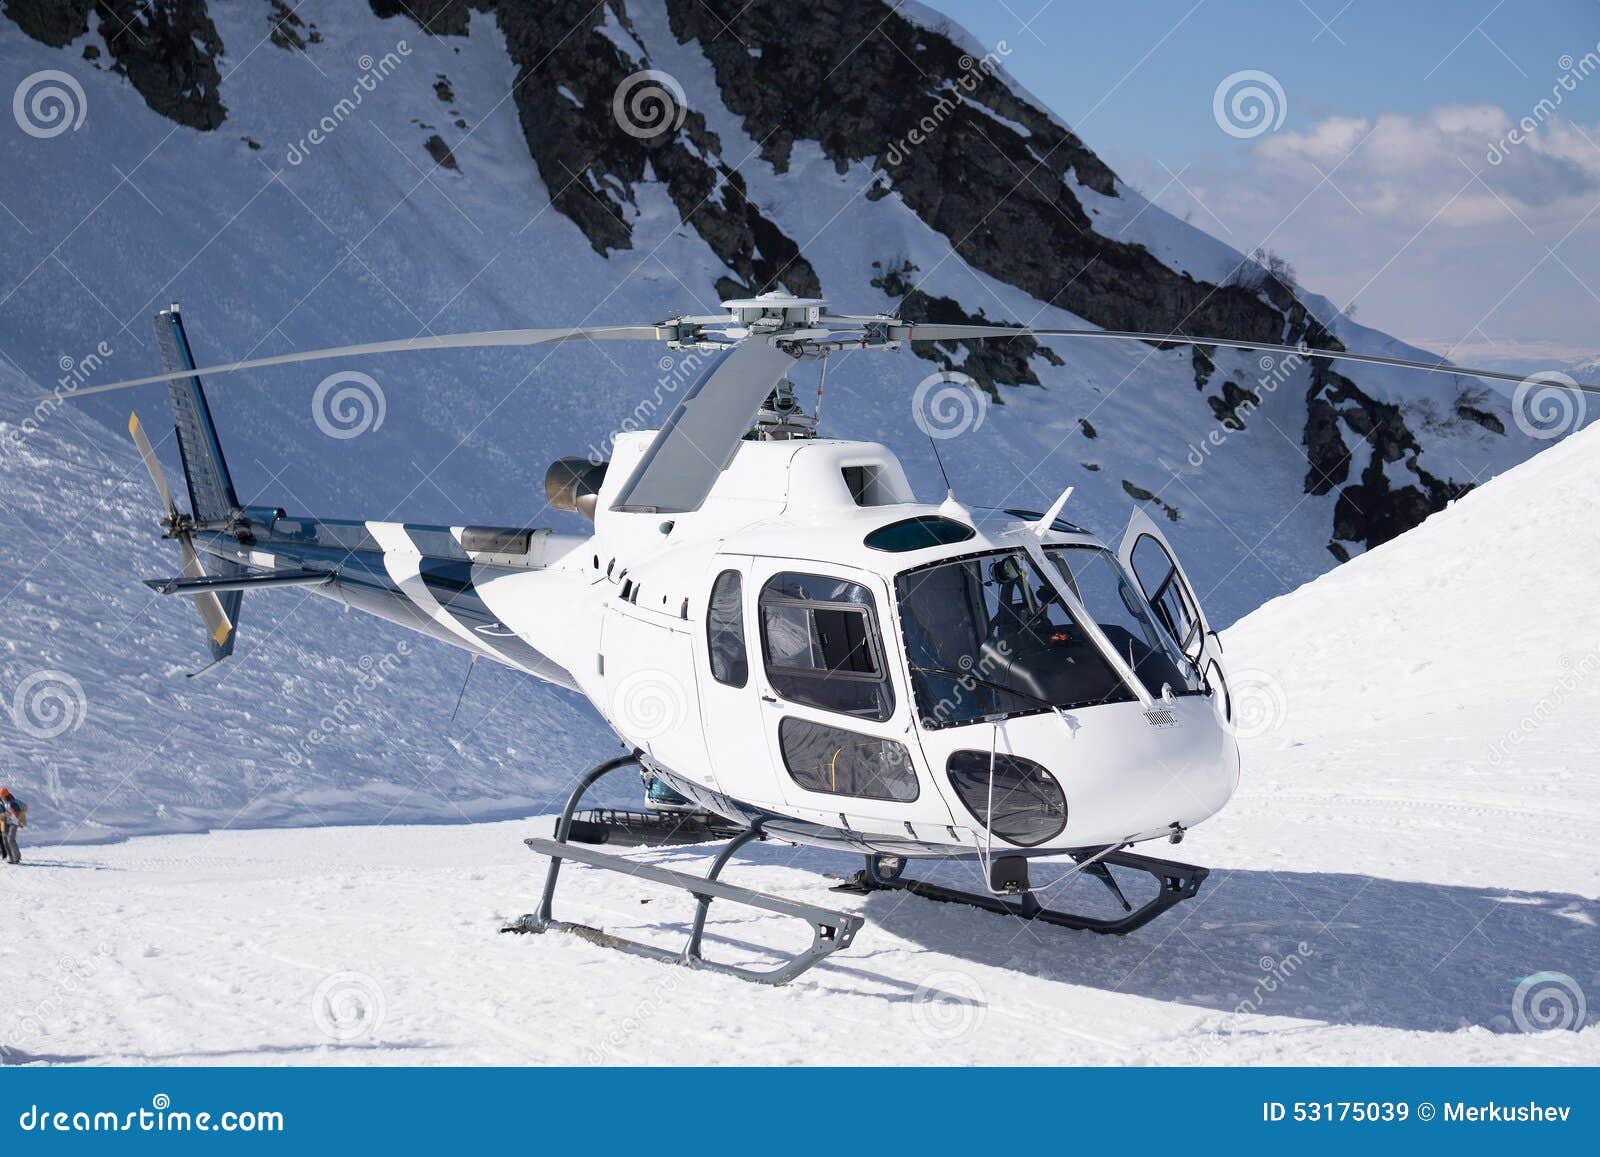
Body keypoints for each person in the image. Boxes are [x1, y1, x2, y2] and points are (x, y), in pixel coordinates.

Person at [0, 788, 25, 865]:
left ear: (5, 795)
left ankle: (17, 857)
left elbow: (24, 807)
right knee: (4, 839)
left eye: (2, 796)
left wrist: (18, 815)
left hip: (14, 822)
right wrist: (4, 814)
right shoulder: (2, 802)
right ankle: (11, 857)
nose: (1, 797)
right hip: (6, 822)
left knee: (10, 839)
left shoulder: (14, 801)